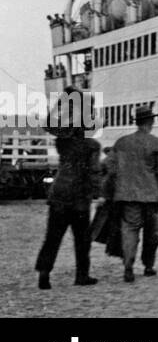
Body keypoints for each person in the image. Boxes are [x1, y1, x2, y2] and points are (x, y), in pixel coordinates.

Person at [35, 89, 103, 289]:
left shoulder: (62, 142)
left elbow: (51, 125)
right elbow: (94, 172)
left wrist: (65, 102)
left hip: (59, 193)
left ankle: (44, 273)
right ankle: (82, 275)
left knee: (53, 237)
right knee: (82, 239)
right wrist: (98, 194)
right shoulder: (92, 146)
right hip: (80, 197)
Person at [108, 105, 158, 282]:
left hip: (127, 195)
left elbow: (110, 168)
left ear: (137, 122)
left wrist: (109, 192)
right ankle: (148, 266)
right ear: (151, 122)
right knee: (152, 232)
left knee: (130, 230)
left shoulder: (122, 142)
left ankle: (128, 266)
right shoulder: (157, 143)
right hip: (151, 195)